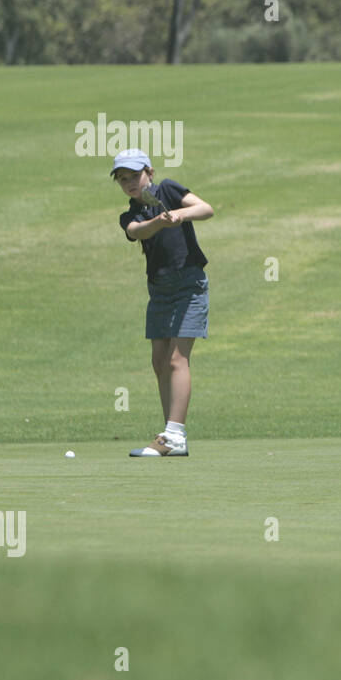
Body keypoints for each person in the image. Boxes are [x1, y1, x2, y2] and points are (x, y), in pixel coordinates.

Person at [111, 149, 215, 457]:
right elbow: (137, 231)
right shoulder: (130, 214)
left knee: (176, 360)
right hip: (158, 289)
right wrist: (159, 221)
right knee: (159, 361)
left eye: (135, 176)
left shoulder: (168, 189)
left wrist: (180, 214)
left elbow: (206, 209)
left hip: (189, 284)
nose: (130, 183)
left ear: (150, 172)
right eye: (123, 179)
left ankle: (174, 434)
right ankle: (170, 434)